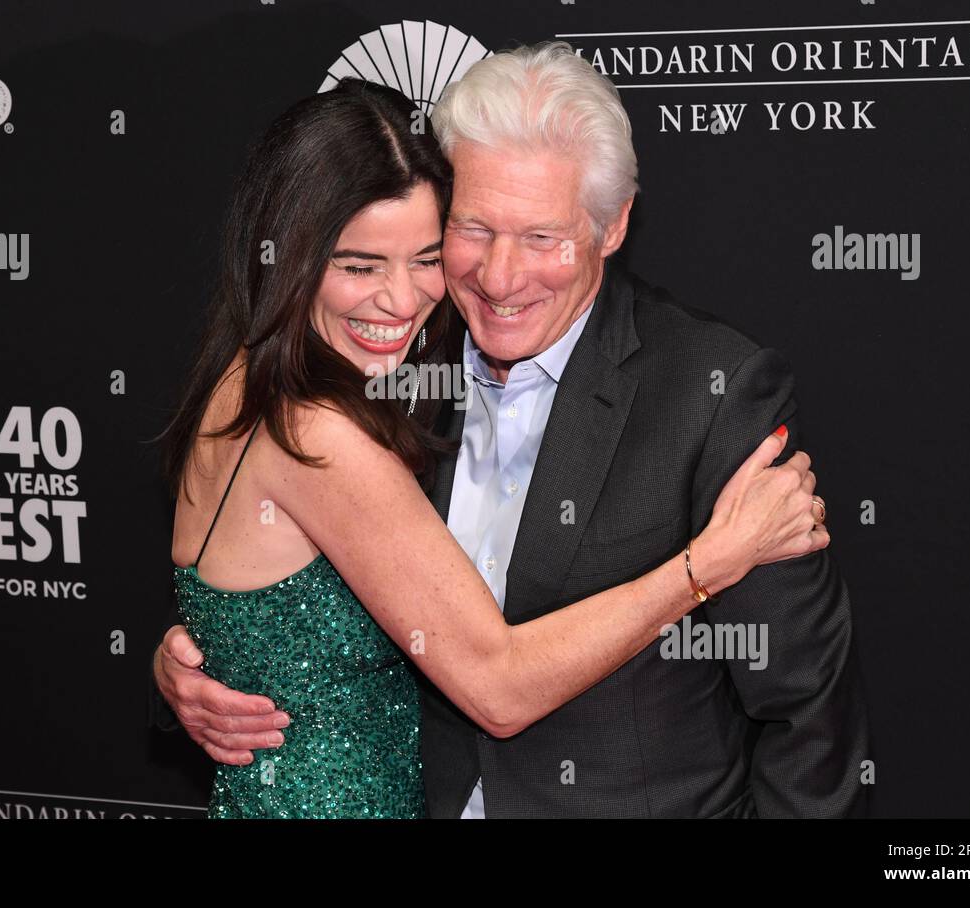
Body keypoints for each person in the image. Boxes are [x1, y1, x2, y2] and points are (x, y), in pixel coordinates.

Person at [152, 61, 836, 819]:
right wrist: (208, 659)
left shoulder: (712, 392)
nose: (500, 277)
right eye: (472, 229)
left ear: (612, 226)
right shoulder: (387, 362)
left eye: (542, 236)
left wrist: (221, 654)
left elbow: (806, 710)